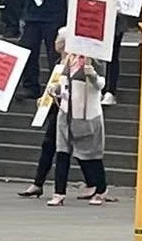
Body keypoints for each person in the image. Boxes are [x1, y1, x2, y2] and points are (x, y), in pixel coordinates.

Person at [17, 27, 98, 200]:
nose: (55, 43)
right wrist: (44, 97)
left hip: (73, 110)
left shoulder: (77, 63)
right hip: (58, 109)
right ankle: (39, 183)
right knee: (50, 145)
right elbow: (53, 84)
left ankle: (93, 183)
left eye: (58, 41)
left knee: (75, 147)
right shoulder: (58, 63)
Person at [46, 29, 109, 206]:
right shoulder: (68, 61)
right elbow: (63, 83)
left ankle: (101, 189)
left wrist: (90, 71)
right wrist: (55, 90)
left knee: (92, 156)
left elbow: (99, 85)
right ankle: (59, 192)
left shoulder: (95, 62)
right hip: (66, 115)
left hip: (87, 116)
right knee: (62, 153)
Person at [91, 0, 131, 105]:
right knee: (99, 58)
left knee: (113, 57)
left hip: (117, 24)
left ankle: (111, 90)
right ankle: (99, 88)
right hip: (99, 23)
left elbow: (128, 3)